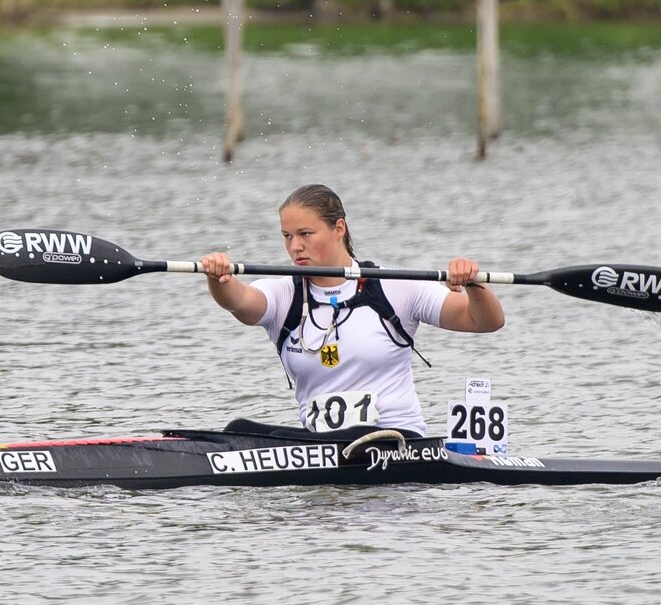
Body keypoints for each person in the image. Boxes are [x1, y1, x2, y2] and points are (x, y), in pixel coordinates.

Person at [200, 184, 504, 437]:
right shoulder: (283, 295)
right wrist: (219, 278)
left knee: (279, 439)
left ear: (339, 229)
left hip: (395, 440)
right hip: (321, 448)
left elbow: (485, 321)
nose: (295, 247)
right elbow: (238, 300)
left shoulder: (393, 286)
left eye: (305, 234)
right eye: (287, 236)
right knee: (237, 430)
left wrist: (474, 284)